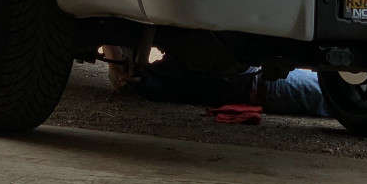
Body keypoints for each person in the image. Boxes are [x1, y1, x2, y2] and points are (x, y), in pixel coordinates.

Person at [104, 47, 328, 117]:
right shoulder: (161, 80)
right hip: (260, 86)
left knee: (323, 92)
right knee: (325, 94)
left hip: (257, 83)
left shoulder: (160, 78)